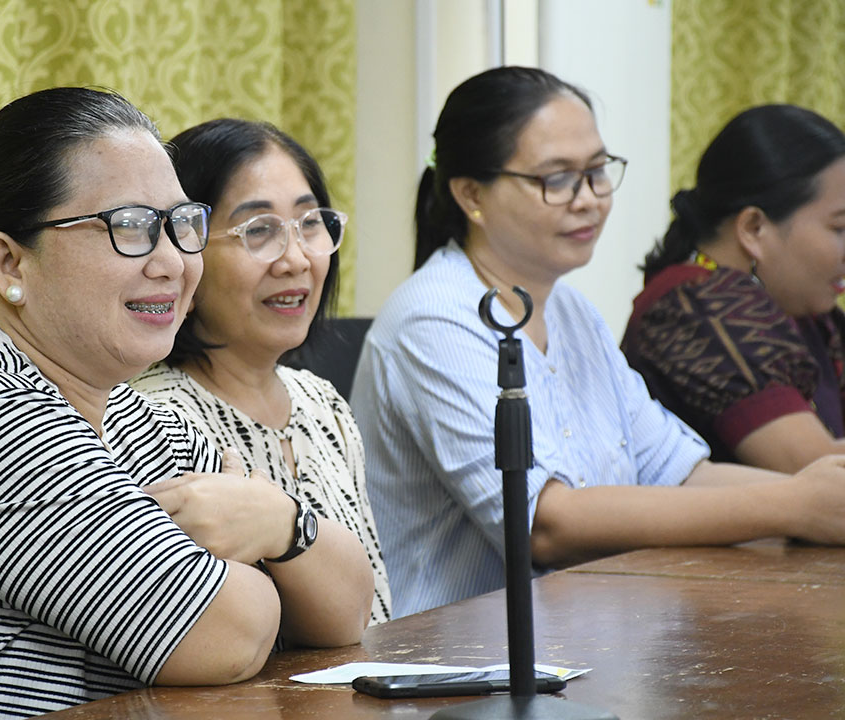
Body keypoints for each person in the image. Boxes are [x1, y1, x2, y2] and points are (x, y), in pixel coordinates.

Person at [0, 88, 366, 720]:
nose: (172, 262)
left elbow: (346, 611)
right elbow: (227, 636)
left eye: (181, 224)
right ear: (9, 262)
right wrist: (263, 577)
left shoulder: (137, 415)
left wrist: (278, 521)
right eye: (129, 226)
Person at [349, 66, 845, 619]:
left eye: (597, 172)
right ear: (471, 195)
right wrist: (793, 504)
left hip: (588, 637)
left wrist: (819, 491)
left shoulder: (572, 311)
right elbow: (545, 523)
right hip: (452, 659)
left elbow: (679, 472)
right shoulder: (433, 318)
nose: (588, 199)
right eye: (557, 178)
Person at [131, 118, 390, 624]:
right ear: (185, 252)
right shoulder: (150, 420)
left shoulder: (322, 402)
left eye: (309, 223)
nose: (296, 259)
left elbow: (373, 614)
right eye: (258, 230)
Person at [622, 105, 845, 474]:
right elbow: (821, 474)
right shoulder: (696, 309)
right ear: (754, 228)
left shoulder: (807, 311)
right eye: (839, 228)